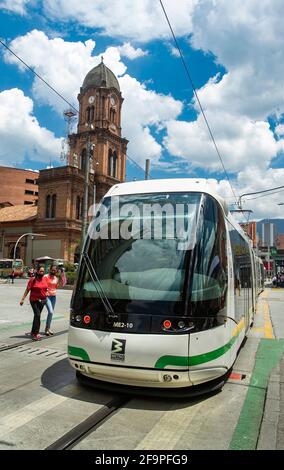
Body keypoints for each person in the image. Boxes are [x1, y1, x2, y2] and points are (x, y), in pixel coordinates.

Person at [20, 265, 48, 341]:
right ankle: (36, 334)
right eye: (40, 271)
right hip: (34, 300)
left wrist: (47, 293)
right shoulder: (33, 280)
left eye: (43, 271)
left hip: (42, 300)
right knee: (38, 315)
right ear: (37, 271)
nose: (42, 272)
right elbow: (27, 290)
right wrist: (22, 299)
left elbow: (46, 288)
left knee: (37, 316)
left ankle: (33, 332)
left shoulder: (45, 279)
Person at [44, 265, 66, 336]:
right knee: (50, 311)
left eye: (54, 270)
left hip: (53, 296)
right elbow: (43, 285)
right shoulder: (46, 276)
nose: (53, 271)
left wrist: (60, 280)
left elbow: (56, 286)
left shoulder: (56, 278)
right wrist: (46, 291)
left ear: (56, 271)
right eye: (52, 270)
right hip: (47, 296)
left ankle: (48, 328)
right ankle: (46, 328)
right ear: (50, 270)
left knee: (51, 313)